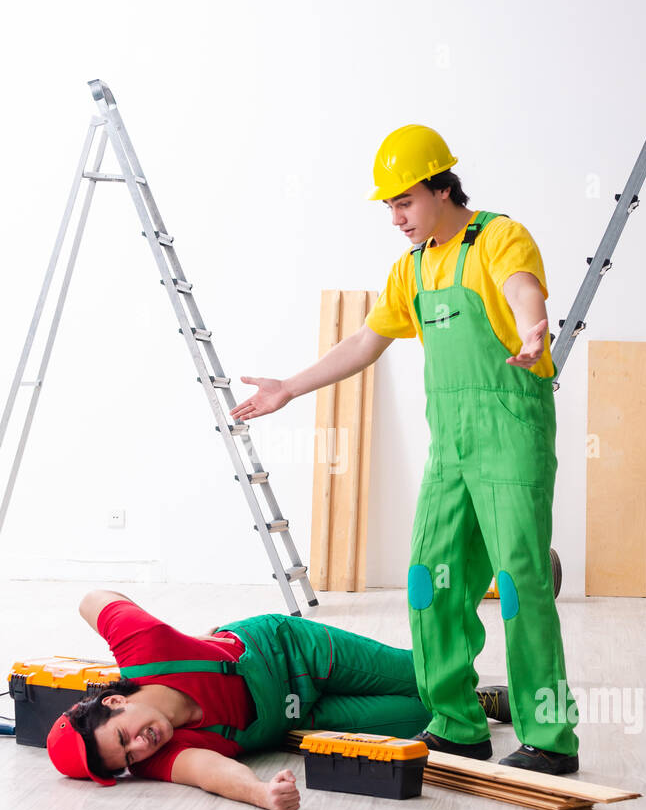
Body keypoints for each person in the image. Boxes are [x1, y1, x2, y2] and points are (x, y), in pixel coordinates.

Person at [229, 124, 580, 775]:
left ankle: (551, 739)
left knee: (519, 585)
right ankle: (457, 723)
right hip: (452, 447)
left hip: (511, 436)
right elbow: (363, 344)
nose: (396, 217)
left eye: (406, 201)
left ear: (443, 187)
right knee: (429, 581)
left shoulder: (497, 238)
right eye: (389, 206)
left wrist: (534, 326)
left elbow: (521, 286)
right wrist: (289, 387)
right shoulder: (411, 270)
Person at [46, 589, 513, 810]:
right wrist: (263, 794)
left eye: (124, 737)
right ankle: (475, 703)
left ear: (112, 702)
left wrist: (187, 639)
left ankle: (486, 610)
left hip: (292, 649)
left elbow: (89, 599)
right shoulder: (162, 756)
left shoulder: (143, 647)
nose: (141, 747)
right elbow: (214, 775)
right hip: (305, 712)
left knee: (421, 674)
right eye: (127, 759)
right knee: (420, 716)